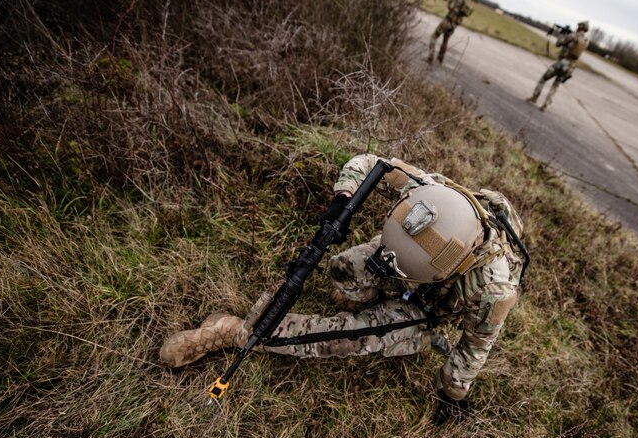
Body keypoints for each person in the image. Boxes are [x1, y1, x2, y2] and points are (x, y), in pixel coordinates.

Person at [160, 154, 526, 424]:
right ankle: (372, 295)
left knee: (350, 336)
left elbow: (472, 353)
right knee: (344, 267)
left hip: (427, 308)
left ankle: (233, 332)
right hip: (404, 256)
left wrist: (452, 396)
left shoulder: (494, 293)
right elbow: (371, 162)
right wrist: (342, 200)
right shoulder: (433, 194)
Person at [527, 21, 590, 111]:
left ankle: (534, 97)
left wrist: (562, 35)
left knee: (544, 79)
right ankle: (546, 105)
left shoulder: (572, 36)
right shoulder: (586, 41)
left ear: (580, 27)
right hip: (570, 67)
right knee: (556, 85)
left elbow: (558, 43)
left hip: (561, 63)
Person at [427, 0, 473, 64]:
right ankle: (440, 59)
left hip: (447, 20)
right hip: (454, 24)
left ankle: (430, 57)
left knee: (434, 36)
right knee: (445, 40)